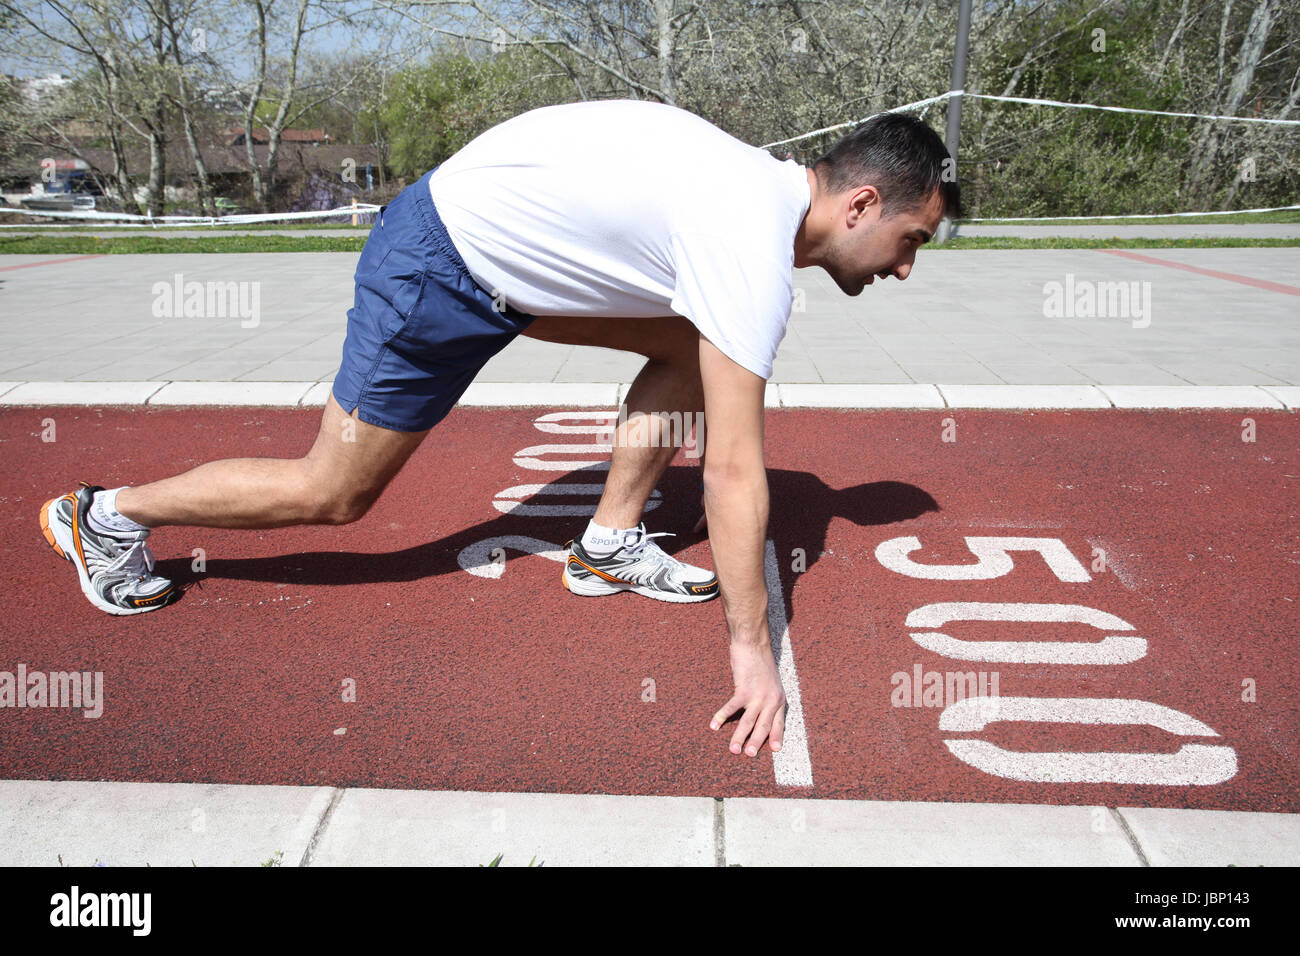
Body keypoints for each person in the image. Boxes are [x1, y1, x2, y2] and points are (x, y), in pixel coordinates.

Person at [40, 101, 959, 758]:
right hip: (438, 266)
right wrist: (752, 651)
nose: (906, 269)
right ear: (863, 204)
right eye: (912, 241)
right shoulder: (748, 247)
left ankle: (605, 543)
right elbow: (731, 473)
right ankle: (107, 515)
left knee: (689, 344)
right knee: (335, 492)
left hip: (491, 249)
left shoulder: (754, 189)